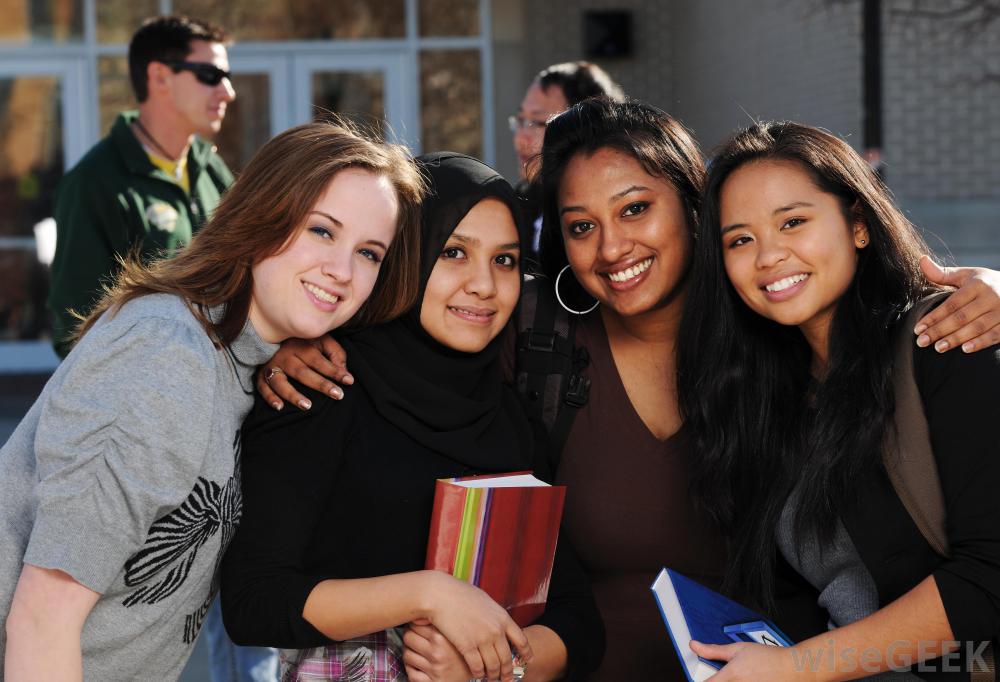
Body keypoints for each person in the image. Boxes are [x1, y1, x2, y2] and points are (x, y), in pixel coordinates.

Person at [260, 98, 1000, 681]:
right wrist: (293, 350)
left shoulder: (772, 340)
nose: (613, 248)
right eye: (582, 226)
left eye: (636, 208)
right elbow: (421, 342)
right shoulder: (535, 342)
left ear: (692, 205)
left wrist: (992, 290)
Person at [0, 121, 424, 681]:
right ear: (262, 215)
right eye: (322, 231)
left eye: (369, 253)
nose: (342, 271)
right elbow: (41, 617)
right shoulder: (166, 355)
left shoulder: (242, 358)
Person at [220, 152, 604, 682]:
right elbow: (253, 602)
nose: (484, 286)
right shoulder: (322, 386)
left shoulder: (509, 419)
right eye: (453, 253)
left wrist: (494, 666)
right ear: (406, 258)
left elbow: (577, 619)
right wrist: (429, 595)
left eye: (505, 260)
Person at [677, 121, 1000, 680]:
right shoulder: (767, 394)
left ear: (857, 225)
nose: (768, 256)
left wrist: (801, 667)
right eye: (740, 239)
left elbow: (991, 574)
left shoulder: (943, 341)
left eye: (793, 222)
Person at [48, 15, 236, 358]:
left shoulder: (213, 170)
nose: (228, 92)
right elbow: (75, 325)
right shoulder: (94, 183)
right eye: (211, 76)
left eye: (227, 77)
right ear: (160, 76)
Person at [509, 62, 625, 258]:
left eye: (536, 123)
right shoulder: (516, 207)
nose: (520, 138)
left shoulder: (619, 209)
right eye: (520, 121)